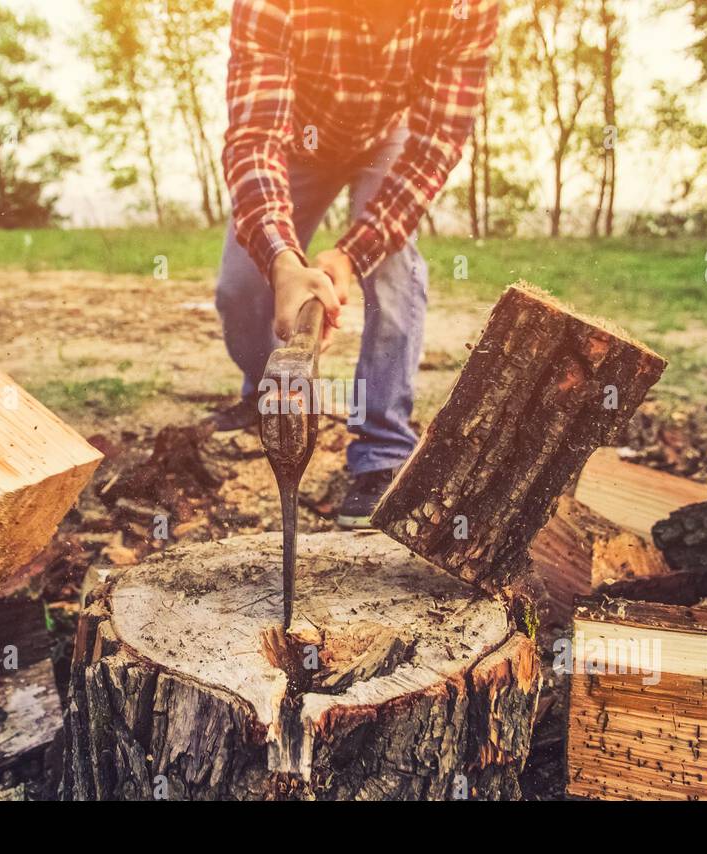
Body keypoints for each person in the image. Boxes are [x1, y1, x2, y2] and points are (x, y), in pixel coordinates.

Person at [208, 0, 498, 527]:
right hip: (292, 138)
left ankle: (383, 449)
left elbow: (436, 144)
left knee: (392, 274)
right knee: (241, 287)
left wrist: (352, 253)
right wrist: (283, 261)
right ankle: (269, 393)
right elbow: (254, 138)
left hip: (387, 139)